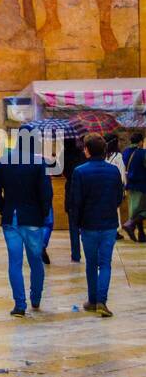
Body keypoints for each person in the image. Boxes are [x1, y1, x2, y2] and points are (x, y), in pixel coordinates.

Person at [0, 129, 54, 317]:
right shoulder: (39, 163)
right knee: (36, 261)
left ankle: (19, 305)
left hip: (11, 219)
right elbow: (46, 194)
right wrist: (42, 215)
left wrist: (5, 208)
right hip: (33, 218)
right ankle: (35, 298)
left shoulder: (4, 161)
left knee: (14, 262)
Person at [69, 132, 124, 316]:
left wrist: (76, 224)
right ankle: (102, 300)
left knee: (91, 263)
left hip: (88, 225)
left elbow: (76, 202)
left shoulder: (80, 172)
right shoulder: (113, 171)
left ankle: (92, 300)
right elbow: (118, 197)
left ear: (87, 150)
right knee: (105, 264)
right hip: (108, 224)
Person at [62, 139, 86, 261]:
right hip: (84, 191)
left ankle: (75, 255)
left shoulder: (63, 155)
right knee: (87, 225)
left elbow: (62, 172)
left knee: (73, 226)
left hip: (71, 191)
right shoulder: (82, 154)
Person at [123, 132, 146, 243]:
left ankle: (141, 234)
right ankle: (130, 224)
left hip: (130, 186)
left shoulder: (125, 152)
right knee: (142, 210)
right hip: (142, 186)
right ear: (141, 142)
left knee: (136, 210)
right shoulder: (142, 153)